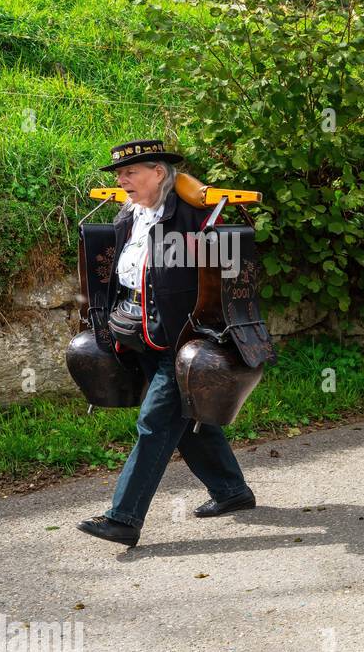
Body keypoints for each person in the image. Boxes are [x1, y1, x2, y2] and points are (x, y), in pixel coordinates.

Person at [76, 140, 255, 548]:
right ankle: (231, 491)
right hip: (136, 332)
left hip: (181, 339)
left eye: (130, 173)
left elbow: (230, 274)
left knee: (156, 423)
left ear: (159, 172)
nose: (121, 181)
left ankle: (123, 518)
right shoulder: (128, 213)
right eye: (119, 175)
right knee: (187, 420)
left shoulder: (194, 215)